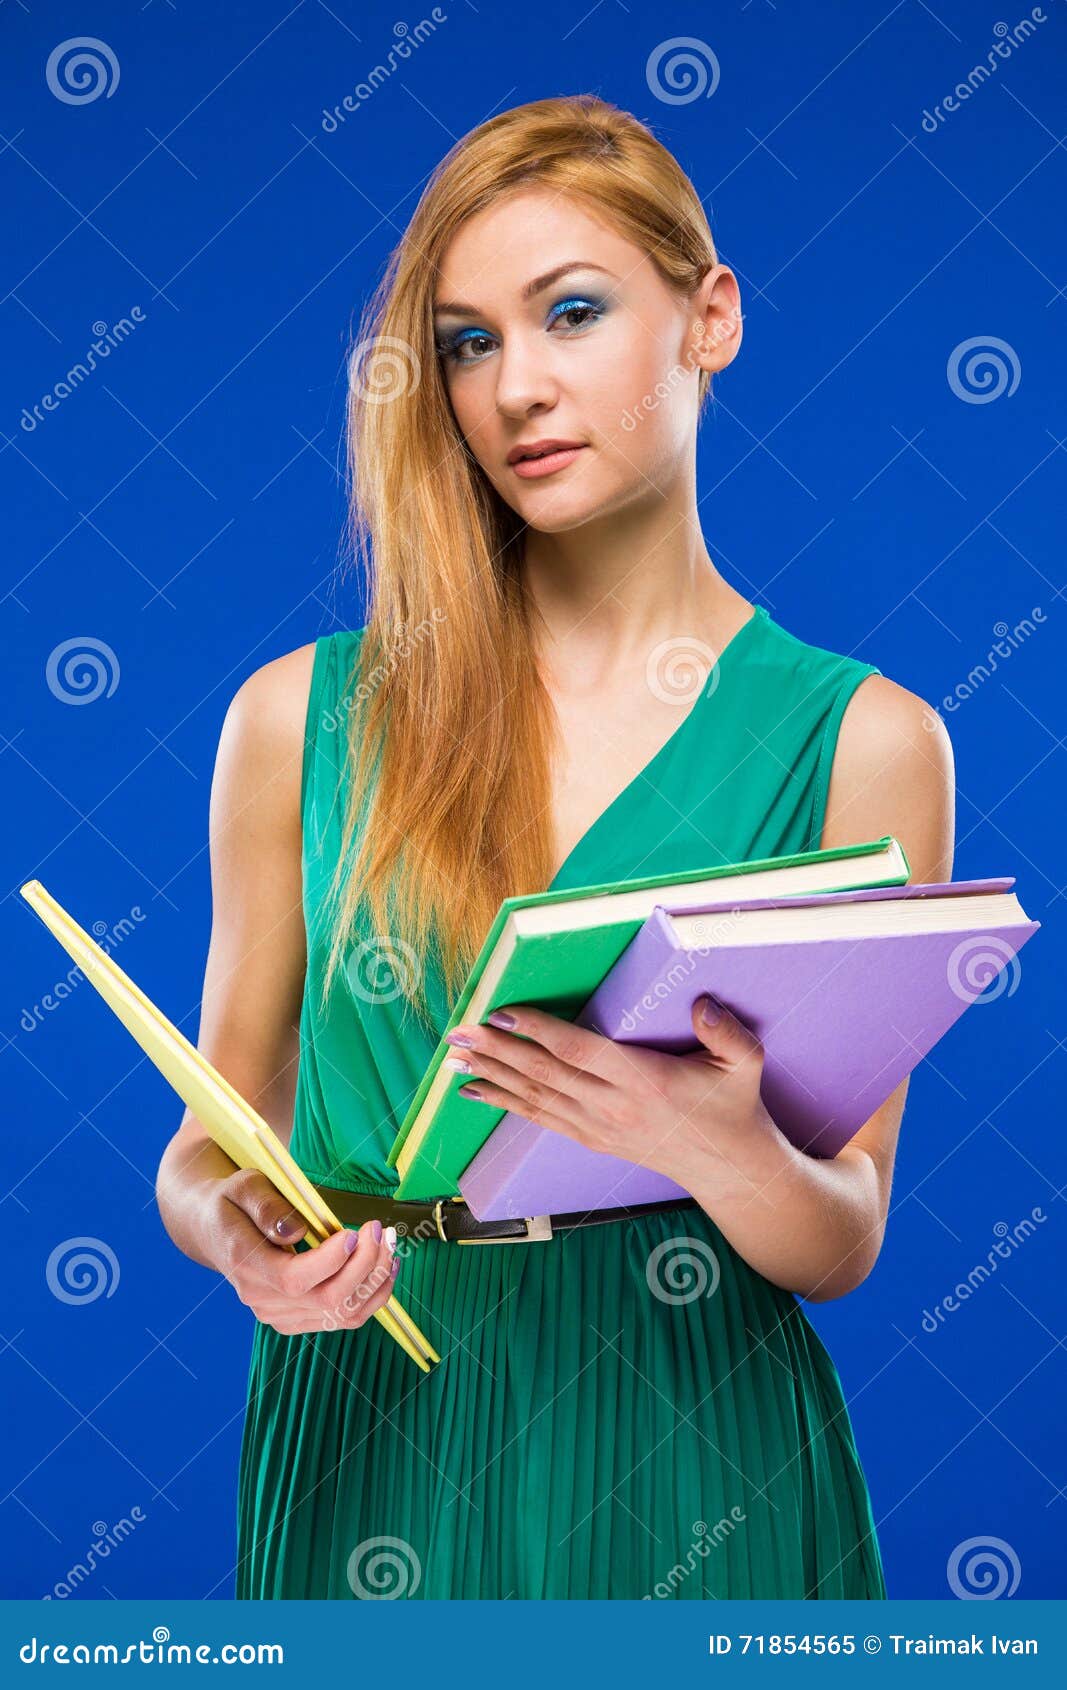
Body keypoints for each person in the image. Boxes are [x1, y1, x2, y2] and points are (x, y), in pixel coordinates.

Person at [155, 94, 954, 1600]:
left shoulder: (869, 743)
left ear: (707, 317)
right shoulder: (299, 721)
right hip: (374, 1435)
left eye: (570, 313)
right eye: (467, 342)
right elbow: (210, 1138)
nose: (515, 385)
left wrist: (715, 1143)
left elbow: (843, 1231)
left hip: (699, 1441)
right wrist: (239, 1240)